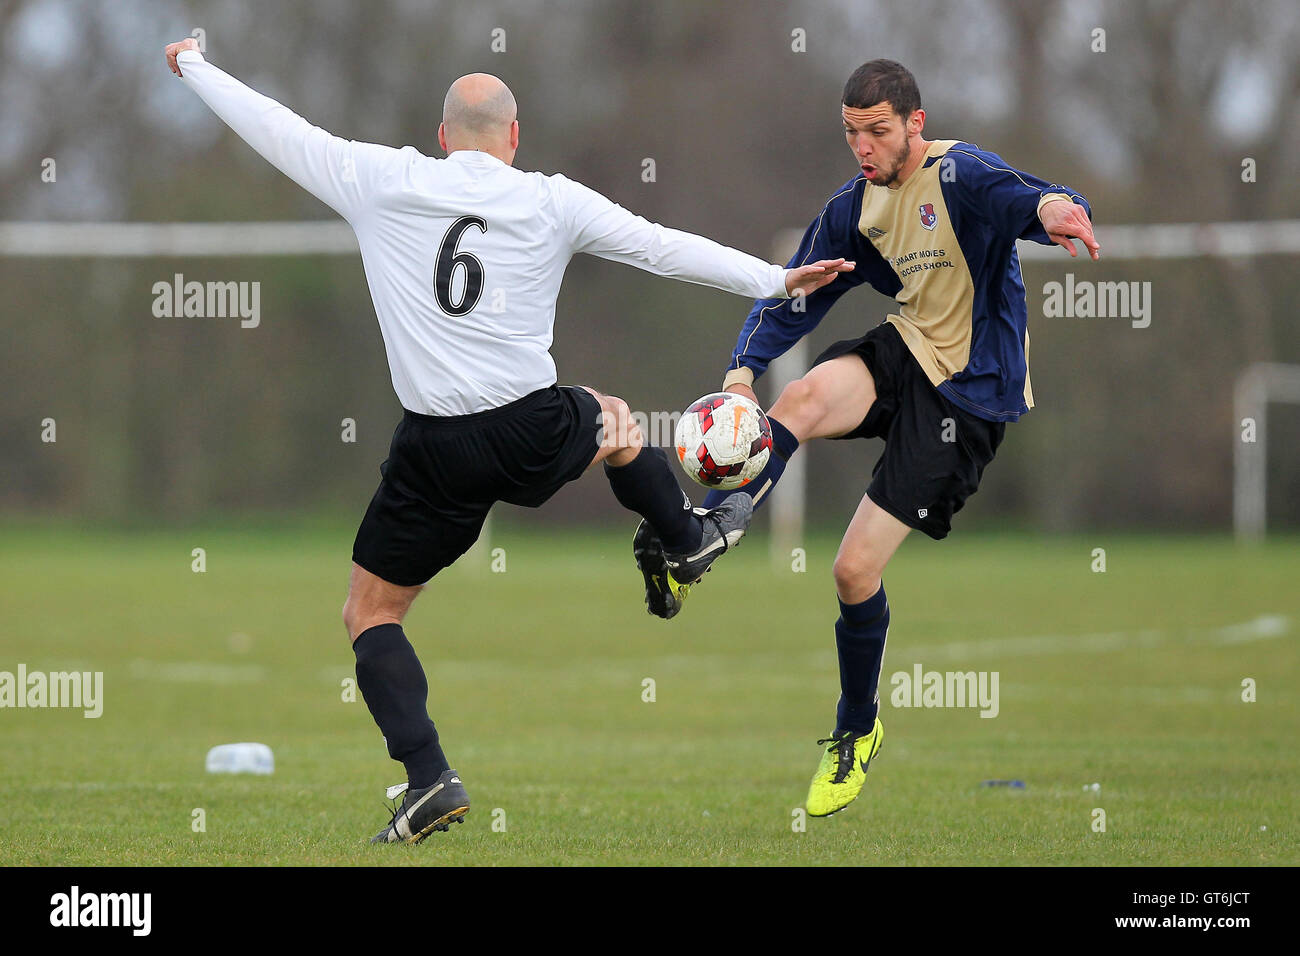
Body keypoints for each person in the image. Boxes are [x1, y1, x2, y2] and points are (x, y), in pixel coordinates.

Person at [165, 39, 851, 843]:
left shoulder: (380, 178)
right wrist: (774, 279)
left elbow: (275, 128)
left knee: (370, 613)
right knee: (615, 422)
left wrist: (196, 67)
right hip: (530, 426)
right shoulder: (550, 198)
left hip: (433, 448)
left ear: (443, 135)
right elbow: (658, 244)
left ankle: (429, 779)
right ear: (514, 136)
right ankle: (685, 536)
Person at [637, 59, 1099, 818]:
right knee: (805, 393)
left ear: (915, 125)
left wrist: (1056, 208)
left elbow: (1026, 197)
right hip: (910, 348)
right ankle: (716, 529)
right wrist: (740, 376)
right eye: (852, 132)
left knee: (852, 573)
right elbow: (796, 289)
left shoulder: (961, 174)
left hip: (971, 398)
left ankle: (858, 730)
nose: (863, 145)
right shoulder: (854, 208)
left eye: (877, 131)